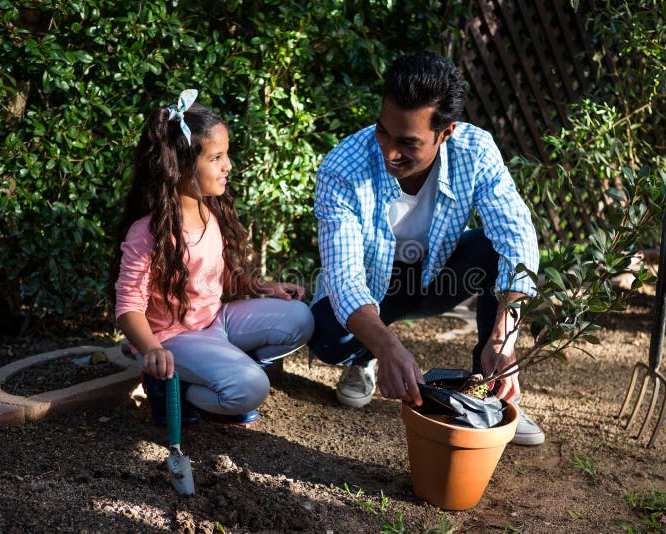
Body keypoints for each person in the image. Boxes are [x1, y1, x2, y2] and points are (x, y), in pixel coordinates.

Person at [308, 51, 544, 445]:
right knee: (327, 338)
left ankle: (488, 392)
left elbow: (518, 242)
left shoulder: (476, 151)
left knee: (492, 249)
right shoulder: (341, 169)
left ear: (446, 132)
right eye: (383, 131)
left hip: (434, 277)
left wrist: (503, 338)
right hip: (370, 286)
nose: (388, 152)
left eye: (408, 143)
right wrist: (386, 347)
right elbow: (344, 278)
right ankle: (364, 358)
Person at [113, 89, 314, 427]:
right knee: (251, 388)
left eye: (226, 155)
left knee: (300, 318)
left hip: (216, 321)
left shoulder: (210, 211)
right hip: (173, 338)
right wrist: (150, 350)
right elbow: (128, 308)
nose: (228, 166)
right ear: (181, 166)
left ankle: (224, 373)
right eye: (217, 157)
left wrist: (261, 286)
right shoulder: (147, 232)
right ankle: (173, 390)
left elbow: (215, 278)